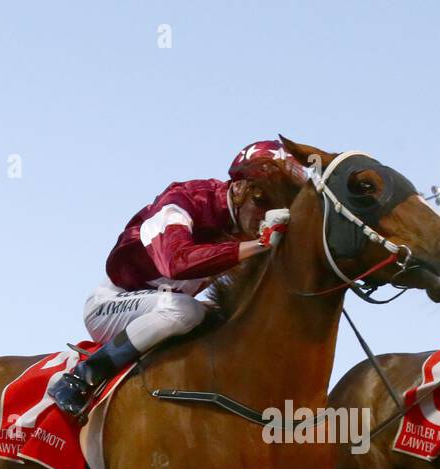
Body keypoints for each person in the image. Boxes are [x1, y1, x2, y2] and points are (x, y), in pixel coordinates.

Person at [46, 141, 302, 417]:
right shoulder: (185, 199)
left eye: (278, 206)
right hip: (110, 304)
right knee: (184, 310)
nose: (264, 216)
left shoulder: (245, 227)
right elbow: (176, 262)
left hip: (162, 305)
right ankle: (83, 376)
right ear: (238, 187)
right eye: (261, 200)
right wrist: (258, 246)